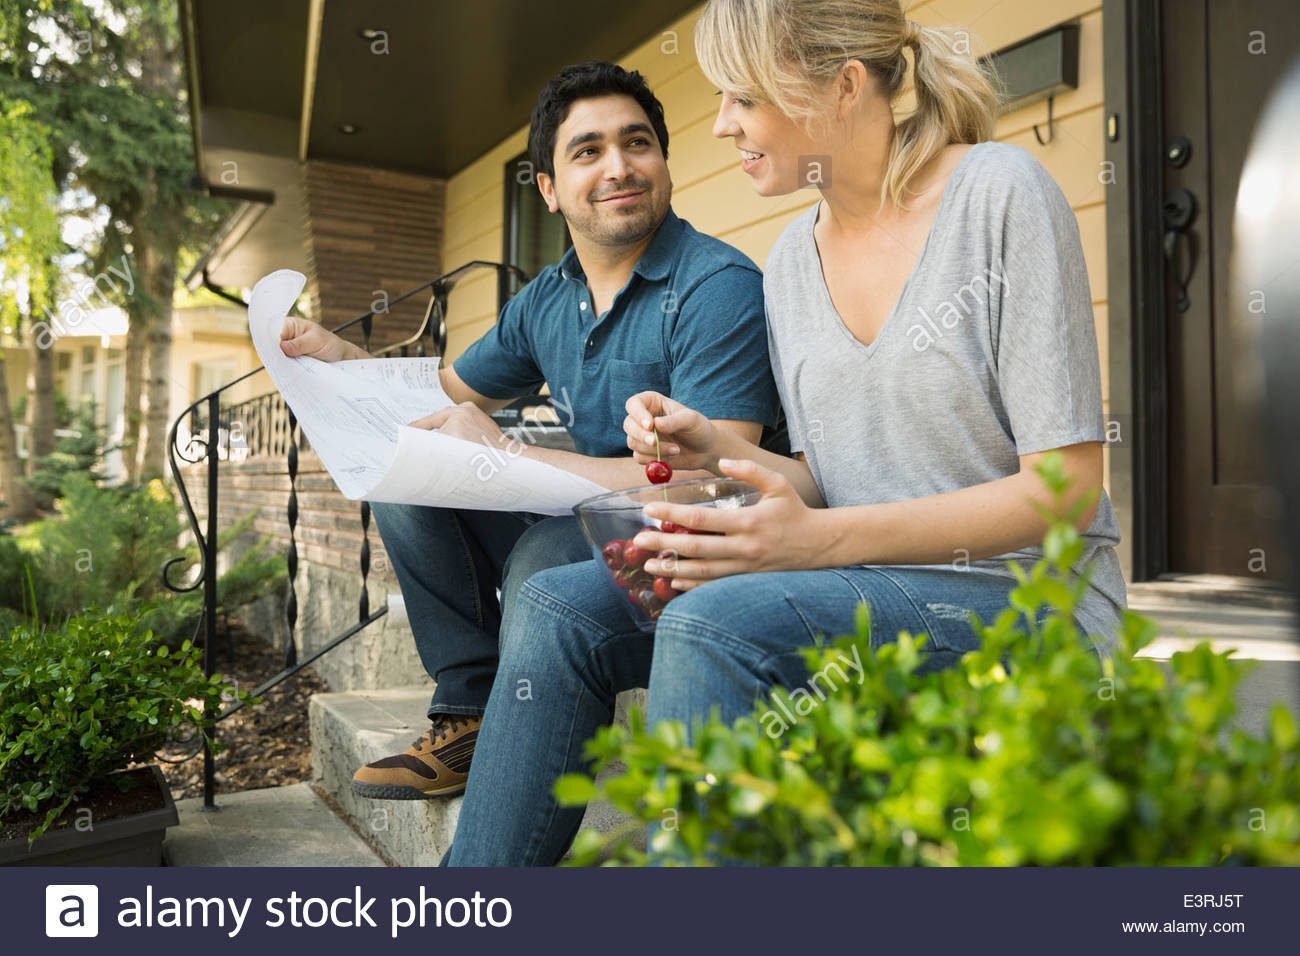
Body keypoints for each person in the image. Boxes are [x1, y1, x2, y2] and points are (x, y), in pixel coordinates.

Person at [442, 0, 1126, 865]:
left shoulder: (997, 195)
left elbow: (1062, 492)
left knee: (716, 623)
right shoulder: (795, 256)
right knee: (555, 604)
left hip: (1024, 598)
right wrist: (716, 450)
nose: (721, 125)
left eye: (743, 98)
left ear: (841, 88)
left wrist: (813, 545)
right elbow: (822, 474)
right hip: (860, 579)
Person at [278, 60, 783, 801]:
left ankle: (524, 745)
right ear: (547, 188)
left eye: (637, 143)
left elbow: (717, 486)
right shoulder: (547, 298)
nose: (619, 167)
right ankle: (472, 711)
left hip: (695, 550)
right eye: (587, 151)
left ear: (663, 161)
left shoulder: (715, 287)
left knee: (544, 552)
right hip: (597, 514)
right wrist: (342, 360)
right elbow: (439, 398)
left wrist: (512, 455)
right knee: (412, 468)